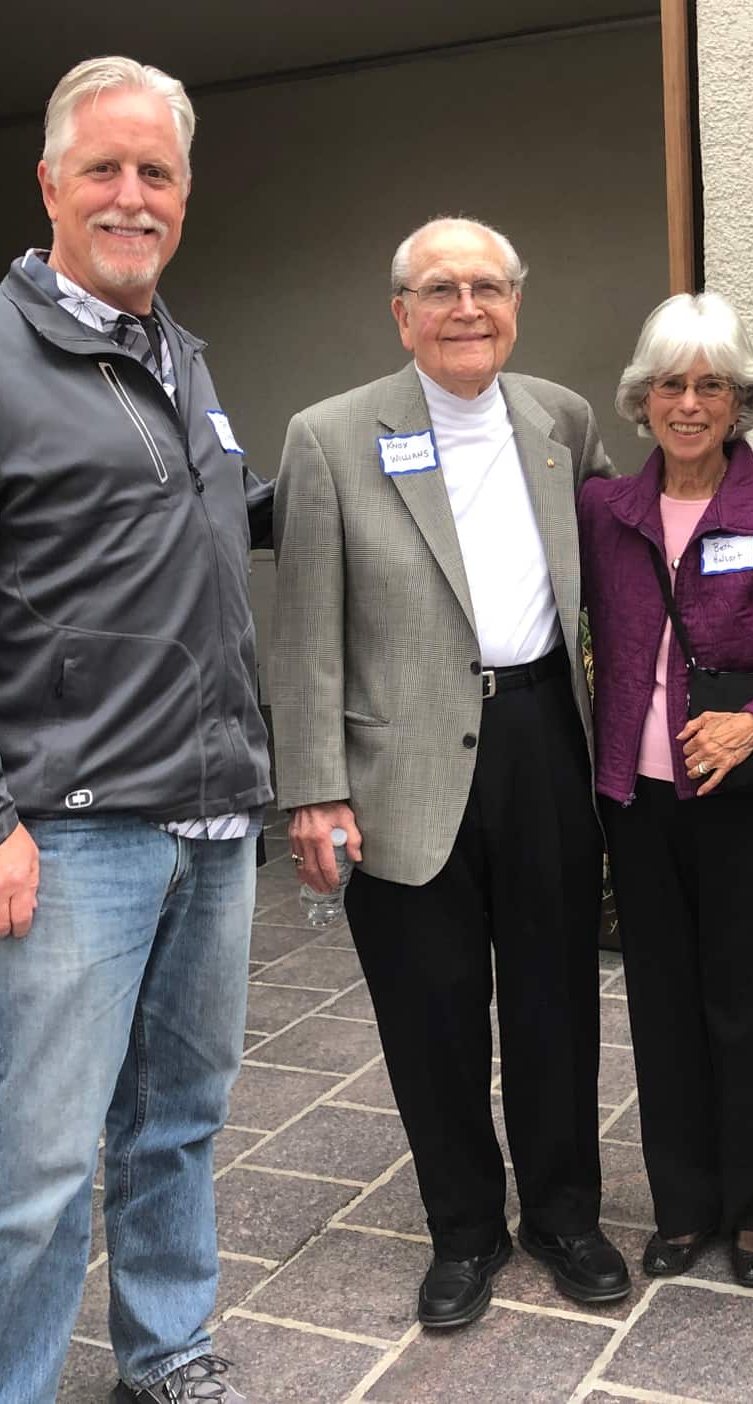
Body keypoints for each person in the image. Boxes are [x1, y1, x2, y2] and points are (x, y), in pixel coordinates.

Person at [0, 56, 271, 1404]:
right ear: (50, 182)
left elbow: (185, 548)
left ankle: (166, 1352)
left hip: (212, 818)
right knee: (34, 1164)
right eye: (104, 168)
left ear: (187, 192)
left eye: (157, 172)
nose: (132, 195)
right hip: (71, 830)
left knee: (178, 1125)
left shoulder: (182, 357)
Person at [271, 216, 625, 1330]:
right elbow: (304, 631)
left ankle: (564, 1214)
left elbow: (622, 562)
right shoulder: (329, 437)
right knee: (430, 1015)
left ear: (515, 302)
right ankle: (462, 1230)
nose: (465, 307)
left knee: (555, 1000)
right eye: (439, 289)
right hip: (396, 765)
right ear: (401, 314)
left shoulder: (560, 418)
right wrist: (313, 788)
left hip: (541, 745)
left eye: (485, 286)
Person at [577, 292, 753, 1288]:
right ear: (641, 399)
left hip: (749, 809)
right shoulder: (601, 513)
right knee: (660, 1007)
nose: (688, 403)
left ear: (740, 401)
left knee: (746, 1008)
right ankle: (681, 1205)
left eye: (710, 386)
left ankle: (751, 1211)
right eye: (670, 384)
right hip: (638, 802)